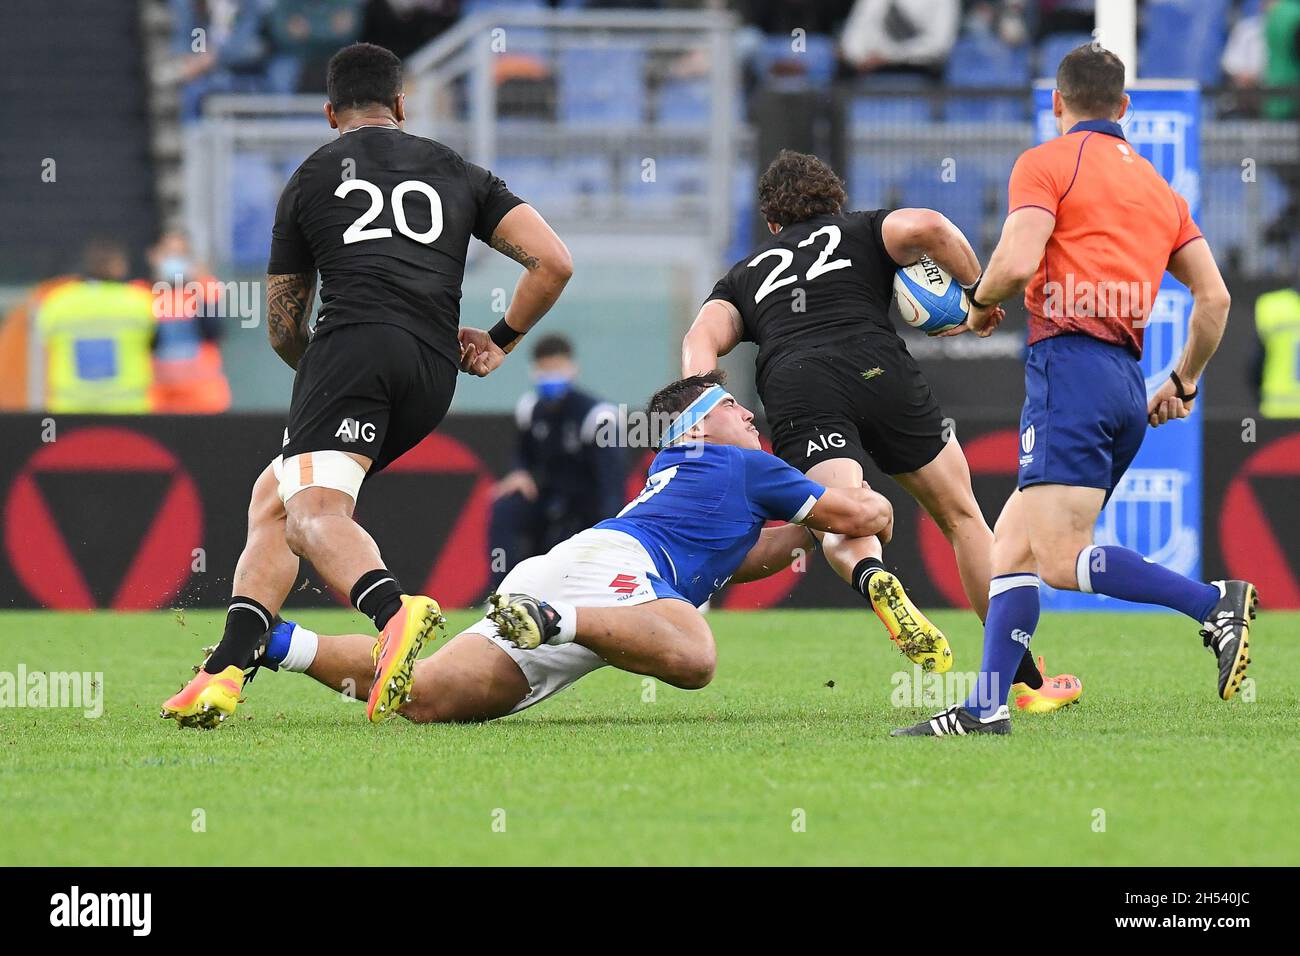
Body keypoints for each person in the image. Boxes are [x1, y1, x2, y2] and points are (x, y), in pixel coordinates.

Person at [162, 42, 573, 728]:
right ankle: (227, 666)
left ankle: (392, 612)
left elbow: (283, 324)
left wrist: (322, 374)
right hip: (433, 373)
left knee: (311, 511)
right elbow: (553, 263)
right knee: (277, 494)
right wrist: (499, 340)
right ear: (402, 105)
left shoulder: (310, 176)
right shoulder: (458, 170)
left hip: (352, 350)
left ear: (330, 114)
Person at [894, 44, 1258, 737]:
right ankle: (987, 707)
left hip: (1070, 370)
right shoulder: (1161, 189)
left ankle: (1212, 601)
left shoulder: (1047, 162)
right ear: (1124, 109)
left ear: (1058, 104)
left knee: (1060, 560)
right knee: (1012, 551)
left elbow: (1016, 262)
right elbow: (1214, 298)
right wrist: (1182, 380)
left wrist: (977, 304)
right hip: (1124, 378)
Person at [240, 371, 895, 722]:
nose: (750, 416)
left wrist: (807, 531)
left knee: (424, 697)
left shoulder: (691, 477)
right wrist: (869, 495)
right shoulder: (739, 463)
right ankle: (556, 623)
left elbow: (743, 559)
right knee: (695, 656)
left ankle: (270, 642)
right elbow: (858, 511)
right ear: (701, 422)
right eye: (732, 405)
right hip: (601, 582)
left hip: (572, 569)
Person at [683, 149, 1080, 713]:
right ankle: (1027, 683)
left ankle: (873, 577)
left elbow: (700, 339)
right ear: (833, 200)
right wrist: (978, 297)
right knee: (963, 517)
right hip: (879, 364)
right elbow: (930, 226)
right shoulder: (862, 229)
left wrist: (708, 410)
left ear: (772, 222)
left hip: (798, 382)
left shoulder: (745, 275)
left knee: (839, 511)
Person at [488, 334, 624, 592]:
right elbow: (523, 455)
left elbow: (611, 485)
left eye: (557, 369)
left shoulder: (597, 416)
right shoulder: (530, 409)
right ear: (534, 371)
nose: (551, 376)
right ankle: (502, 593)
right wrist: (519, 472)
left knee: (559, 564)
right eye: (545, 369)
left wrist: (608, 533)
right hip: (546, 498)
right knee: (505, 508)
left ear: (573, 369)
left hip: (585, 508)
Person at [36, 239, 156, 413]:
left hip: (70, 408)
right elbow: (155, 342)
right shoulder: (138, 301)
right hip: (127, 409)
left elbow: (45, 341)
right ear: (117, 266)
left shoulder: (57, 301)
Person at [146, 230, 233, 413]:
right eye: (169, 253)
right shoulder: (143, 295)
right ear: (154, 256)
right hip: (161, 398)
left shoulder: (205, 289)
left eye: (180, 254)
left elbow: (214, 330)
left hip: (203, 397)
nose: (174, 260)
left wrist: (195, 286)